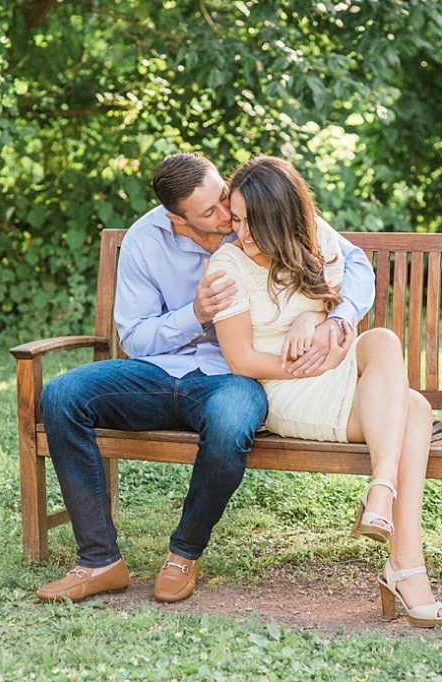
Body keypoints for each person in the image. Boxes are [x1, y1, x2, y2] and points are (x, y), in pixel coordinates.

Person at [35, 152, 376, 604]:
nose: (228, 218)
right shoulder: (144, 241)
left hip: (233, 376)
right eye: (212, 213)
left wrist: (332, 317)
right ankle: (100, 560)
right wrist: (194, 314)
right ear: (177, 218)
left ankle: (183, 554)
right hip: (159, 371)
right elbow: (135, 338)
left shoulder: (258, 215)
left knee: (232, 420)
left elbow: (353, 264)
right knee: (61, 394)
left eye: (224, 201)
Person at [208, 155, 442, 627]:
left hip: (334, 372)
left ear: (282, 220)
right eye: (237, 220)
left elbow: (344, 285)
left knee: (384, 342)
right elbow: (240, 360)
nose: (241, 233)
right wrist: (310, 361)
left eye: (252, 223)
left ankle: (385, 503)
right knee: (414, 409)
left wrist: (319, 316)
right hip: (284, 388)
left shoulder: (313, 234)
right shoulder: (226, 267)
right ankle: (407, 567)